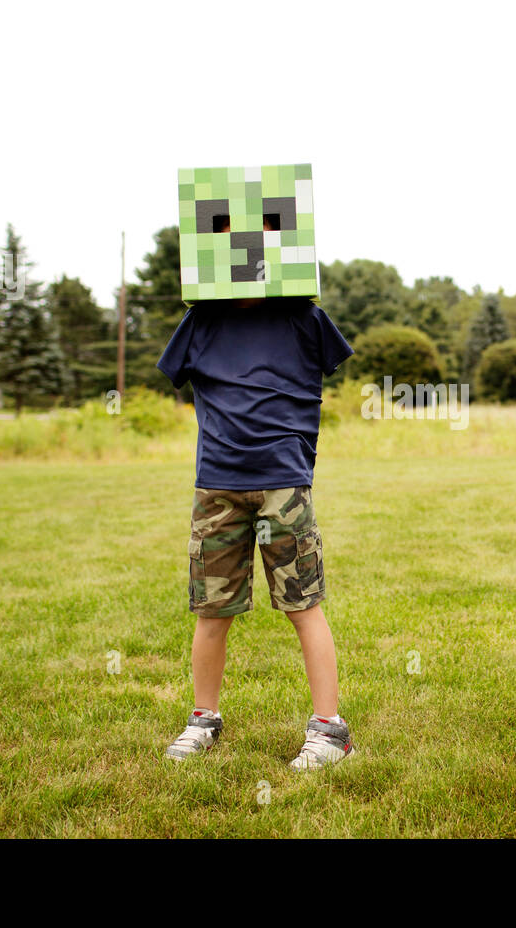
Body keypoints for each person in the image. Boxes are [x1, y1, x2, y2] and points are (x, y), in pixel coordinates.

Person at [155, 213, 356, 770]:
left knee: (303, 605)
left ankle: (329, 730)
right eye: (227, 236)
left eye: (261, 233)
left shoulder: (303, 317)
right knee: (211, 611)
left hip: (283, 485)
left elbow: (331, 366)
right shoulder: (199, 322)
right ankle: (204, 719)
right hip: (216, 485)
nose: (243, 246)